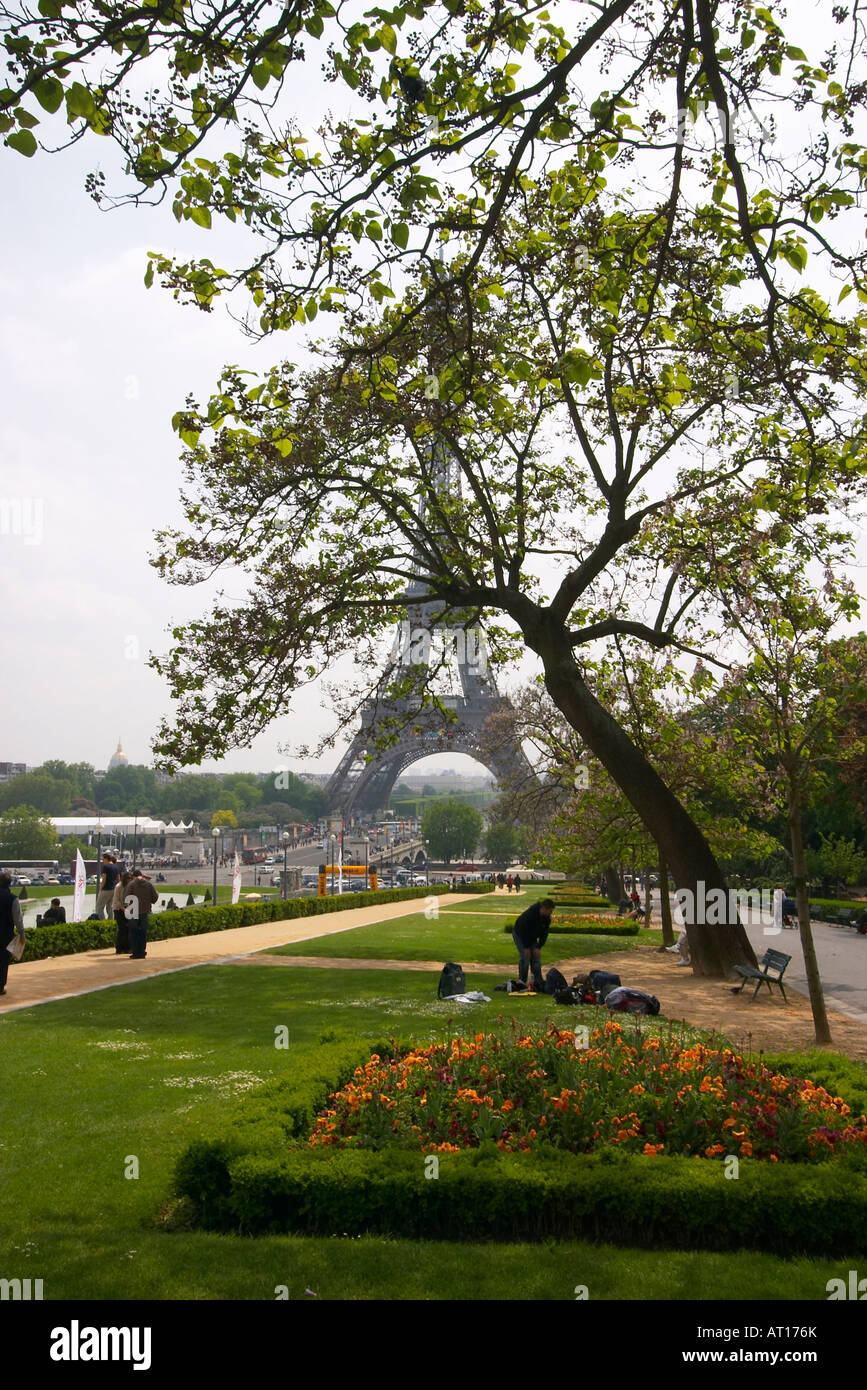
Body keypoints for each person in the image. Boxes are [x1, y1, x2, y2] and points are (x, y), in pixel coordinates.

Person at [511, 898, 555, 992]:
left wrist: (538, 947)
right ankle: (522, 981)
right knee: (525, 957)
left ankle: (538, 982)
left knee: (536, 958)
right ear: (544, 908)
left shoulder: (547, 919)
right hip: (520, 934)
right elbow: (523, 931)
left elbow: (544, 934)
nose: (551, 913)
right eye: (550, 911)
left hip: (532, 937)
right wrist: (526, 948)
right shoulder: (530, 914)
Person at [0, 872, 26, 996]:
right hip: (5, 934)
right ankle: (0, 986)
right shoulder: (13, 898)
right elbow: (18, 919)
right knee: (3, 960)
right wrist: (22, 933)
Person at [124, 872, 159, 959]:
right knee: (143, 933)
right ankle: (142, 952)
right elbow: (155, 897)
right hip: (145, 911)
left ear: (133, 876)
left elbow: (127, 898)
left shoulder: (131, 884)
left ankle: (135, 953)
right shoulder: (149, 884)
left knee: (133, 933)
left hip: (133, 911)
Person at [95, 852, 120, 920]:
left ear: (106, 859)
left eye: (103, 859)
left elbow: (104, 879)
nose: (103, 861)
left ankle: (103, 921)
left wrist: (101, 888)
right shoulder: (116, 867)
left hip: (106, 889)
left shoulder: (105, 866)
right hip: (113, 889)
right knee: (110, 907)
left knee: (99, 907)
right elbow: (118, 879)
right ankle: (110, 921)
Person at [113, 870, 133, 954]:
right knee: (122, 929)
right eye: (128, 878)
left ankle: (127, 947)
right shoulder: (119, 887)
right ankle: (119, 948)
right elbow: (116, 901)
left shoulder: (131, 886)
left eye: (130, 878)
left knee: (128, 929)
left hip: (127, 908)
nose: (129, 880)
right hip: (118, 909)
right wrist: (124, 909)